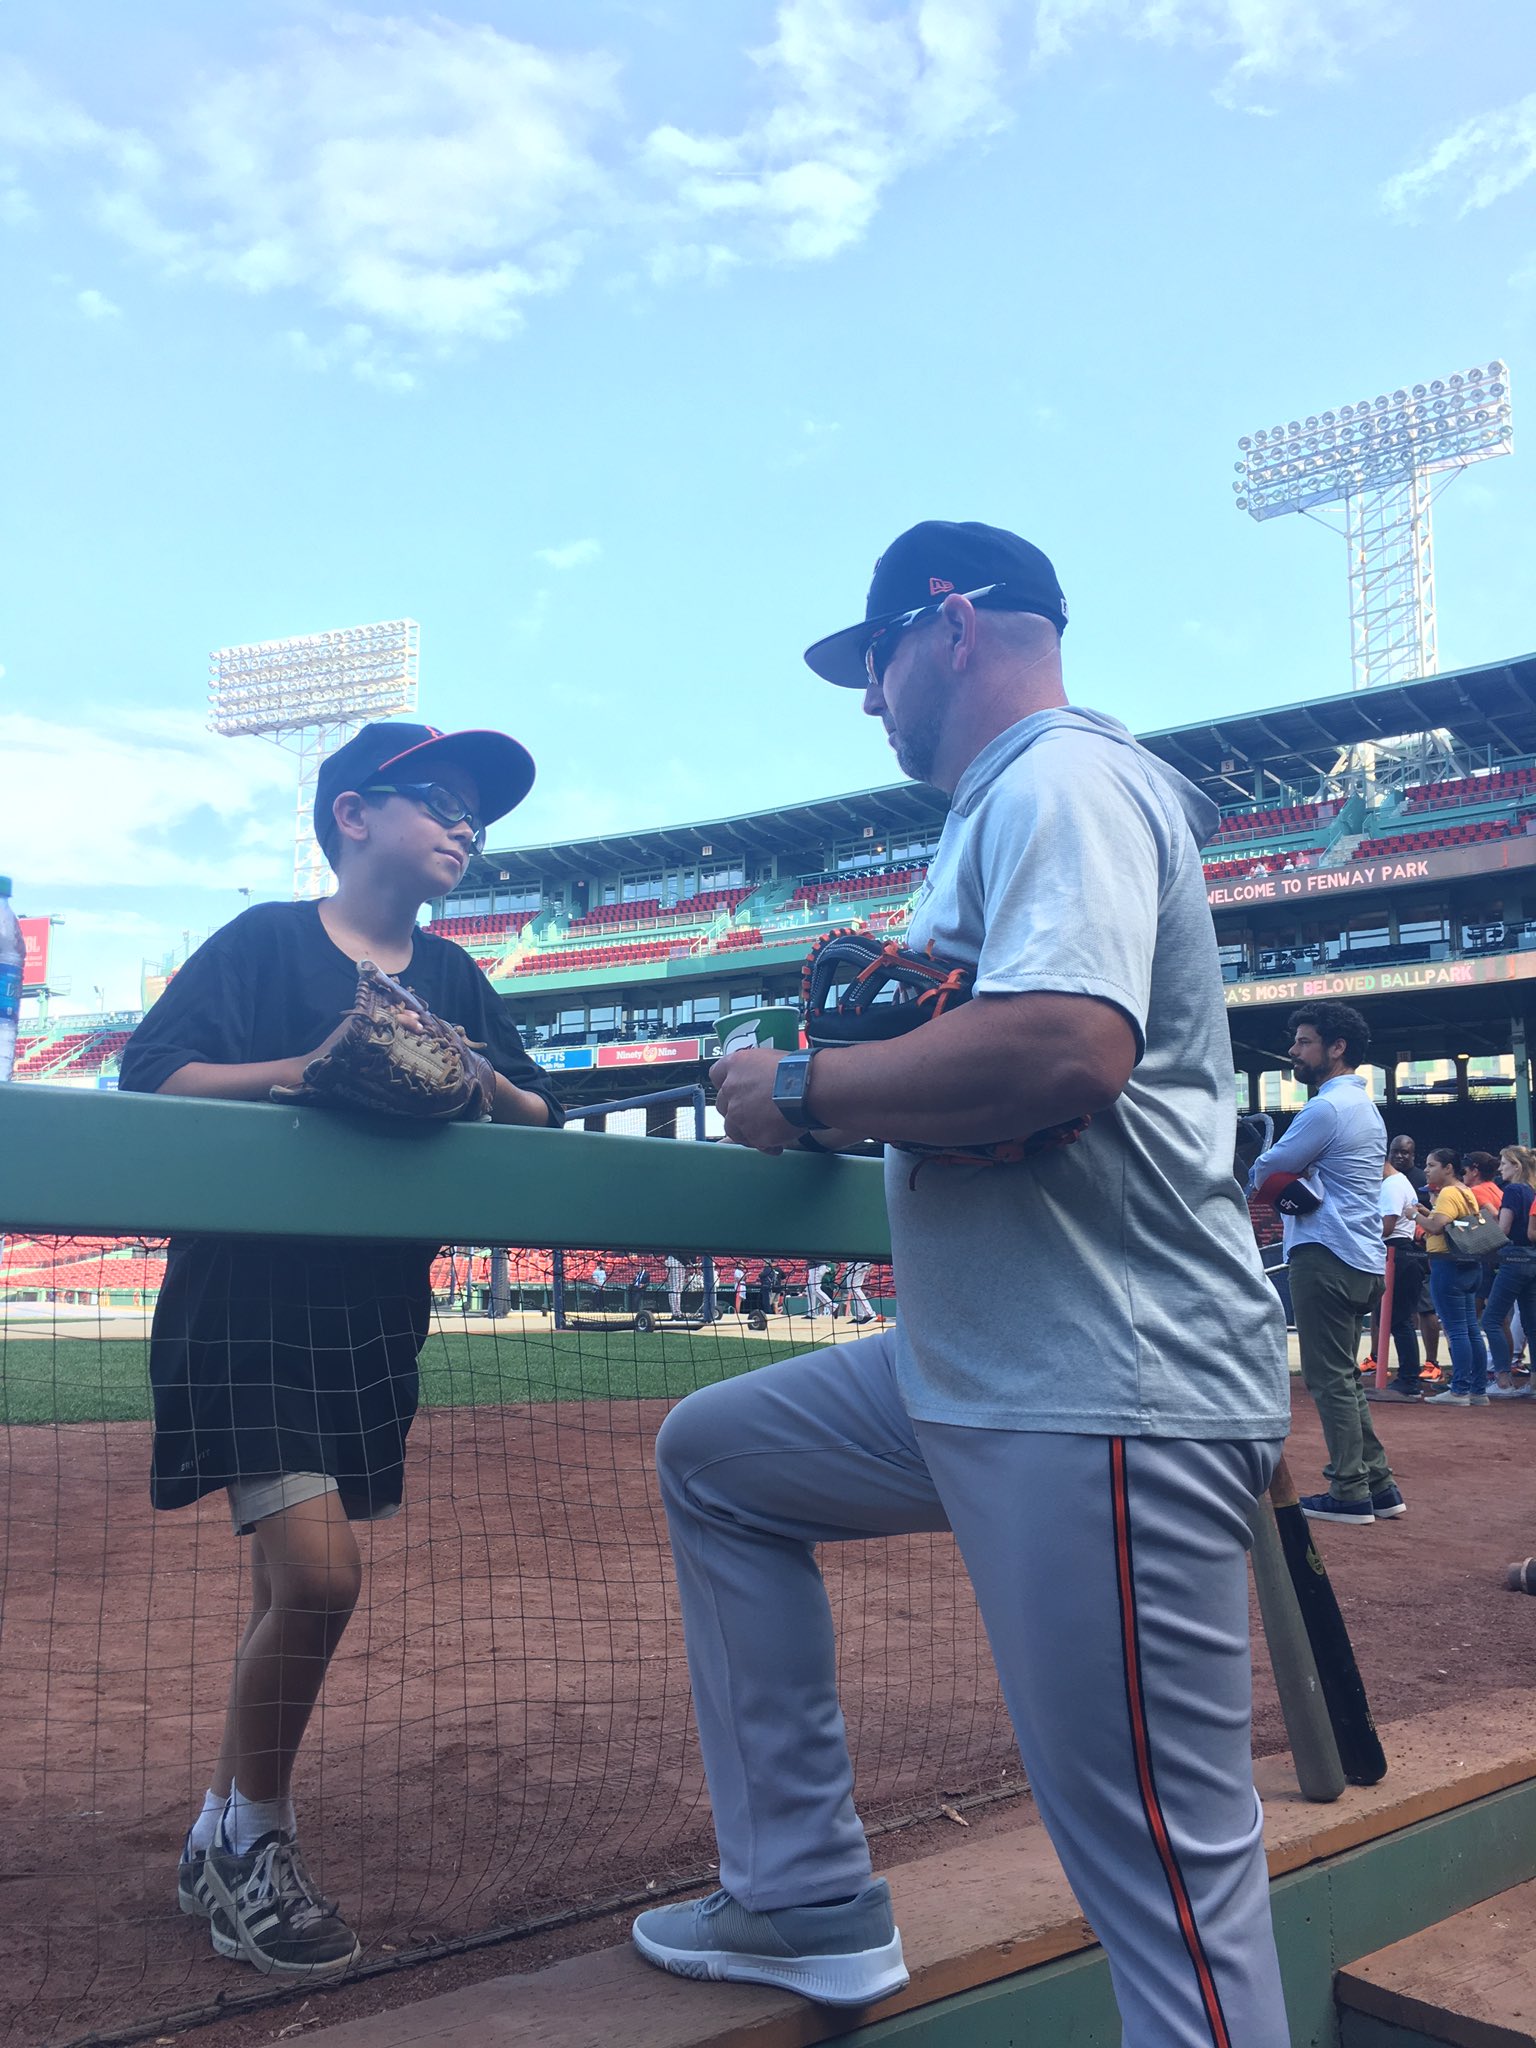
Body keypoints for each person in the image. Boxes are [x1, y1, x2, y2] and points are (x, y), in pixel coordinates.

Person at [632, 520, 1293, 2043]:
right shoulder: (1001, 812)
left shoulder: (1064, 779)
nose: (866, 703)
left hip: (1106, 1392)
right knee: (719, 1463)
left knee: (1177, 1912)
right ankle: (802, 1897)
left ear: (947, 625)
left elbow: (1068, 1047)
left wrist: (804, 1080)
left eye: (869, 664)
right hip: (985, 1364)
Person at [118, 721, 562, 1977]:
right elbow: (153, 1078)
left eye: (479, 812)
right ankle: (258, 1833)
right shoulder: (267, 939)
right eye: (441, 798)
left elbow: (538, 1109)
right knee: (318, 1577)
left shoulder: (457, 976)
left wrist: (481, 1081)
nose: (467, 824)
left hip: (375, 1311)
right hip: (247, 1296)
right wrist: (307, 1066)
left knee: (283, 1585)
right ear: (355, 813)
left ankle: (218, 1832)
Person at [1249, 1002, 1399, 1526]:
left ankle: (1350, 1490)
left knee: (1329, 1378)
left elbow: (1267, 1166)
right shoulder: (1364, 1108)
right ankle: (1376, 1483)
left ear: (1336, 1048)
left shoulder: (1326, 1109)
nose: (1293, 1050)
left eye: (1303, 1041)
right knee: (1345, 1377)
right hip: (1360, 1256)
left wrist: (1282, 1165)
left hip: (1325, 1252)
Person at [1416, 1148, 1487, 1407]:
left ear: (1448, 1168)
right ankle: (1478, 1390)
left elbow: (1436, 1226)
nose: (1426, 1170)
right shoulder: (1465, 1191)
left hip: (1448, 1265)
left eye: (1431, 1165)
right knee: (1470, 1330)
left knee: (1457, 1330)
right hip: (1470, 1265)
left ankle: (1459, 1390)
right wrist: (1428, 1211)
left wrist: (1415, 1215)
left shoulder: (1447, 1192)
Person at [1480, 1145, 1536, 1398]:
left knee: (1491, 1319)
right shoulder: (1532, 1190)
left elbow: (1503, 1230)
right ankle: (1533, 1383)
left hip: (1514, 1260)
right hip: (1532, 1259)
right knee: (1531, 1323)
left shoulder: (1512, 1190)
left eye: (1504, 1163)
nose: (1500, 1168)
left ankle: (1503, 1379)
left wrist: (1485, 1219)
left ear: (1516, 1166)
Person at [1372, 1153, 1424, 1400]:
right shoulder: (1398, 1182)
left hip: (1397, 1252)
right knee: (1393, 1319)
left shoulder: (1392, 1185)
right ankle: (1407, 1377)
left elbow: (1387, 1227)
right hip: (1400, 1252)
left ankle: (1409, 1379)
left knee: (1398, 1320)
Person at [844, 1258, 875, 1325]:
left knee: (854, 1288)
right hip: (857, 1262)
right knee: (852, 1288)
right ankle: (860, 1316)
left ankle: (870, 1314)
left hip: (858, 1262)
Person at [664, 1251, 686, 1317]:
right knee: (677, 1289)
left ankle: (674, 1311)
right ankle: (677, 1312)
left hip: (669, 1260)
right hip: (676, 1261)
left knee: (673, 1289)